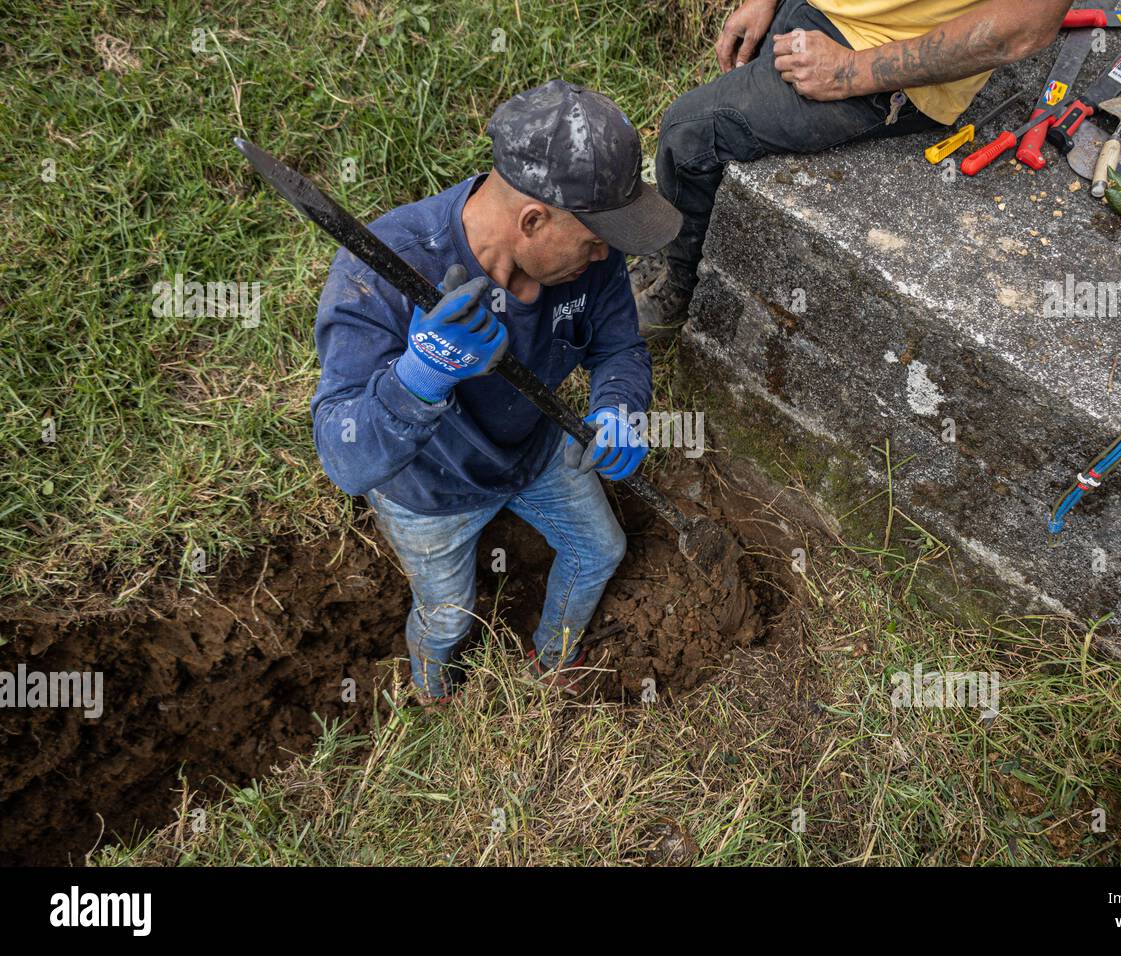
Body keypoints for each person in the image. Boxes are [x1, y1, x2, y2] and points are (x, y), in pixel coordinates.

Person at [311, 80, 682, 702]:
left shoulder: (594, 255)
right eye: (594, 241)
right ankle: (434, 687)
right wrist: (421, 376)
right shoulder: (385, 268)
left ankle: (552, 658)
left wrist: (618, 409)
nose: (605, 256)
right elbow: (345, 458)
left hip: (536, 452)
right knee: (451, 615)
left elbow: (618, 347)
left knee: (599, 550)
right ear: (532, 220)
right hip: (431, 490)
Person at [637, 0, 1074, 335]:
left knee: (689, 134)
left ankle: (681, 285)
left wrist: (851, 72)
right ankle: (677, 240)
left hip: (881, 54)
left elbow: (1023, 26)